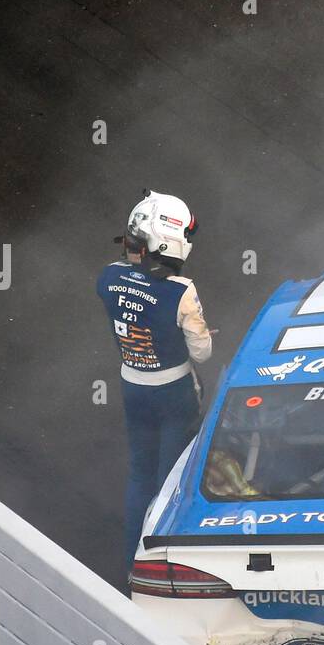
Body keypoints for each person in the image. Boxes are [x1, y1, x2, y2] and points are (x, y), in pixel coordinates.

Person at [96, 190, 212, 571]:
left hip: (133, 387)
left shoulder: (108, 278)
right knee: (170, 479)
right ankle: (161, 563)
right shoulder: (182, 291)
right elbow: (202, 353)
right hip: (175, 392)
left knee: (140, 475)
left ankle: (132, 560)